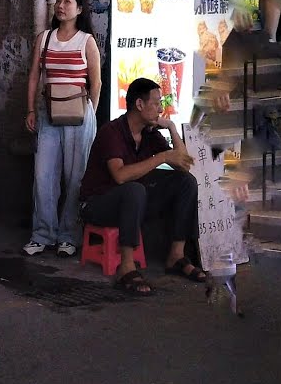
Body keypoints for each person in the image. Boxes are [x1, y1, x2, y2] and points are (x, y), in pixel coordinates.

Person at [78, 77, 207, 295]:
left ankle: (176, 256)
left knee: (186, 182)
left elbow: (185, 165)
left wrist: (173, 129)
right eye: (156, 103)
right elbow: (120, 176)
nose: (161, 109)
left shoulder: (150, 134)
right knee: (134, 188)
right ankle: (126, 267)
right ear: (139, 104)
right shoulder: (112, 131)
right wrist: (163, 157)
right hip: (97, 204)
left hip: (133, 204)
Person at [23, 0, 101, 257]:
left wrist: (89, 112)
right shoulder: (44, 38)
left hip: (79, 116)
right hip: (48, 113)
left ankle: (68, 236)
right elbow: (34, 76)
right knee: (43, 175)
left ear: (79, 9)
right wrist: (31, 109)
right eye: (58, 1)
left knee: (75, 176)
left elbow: (96, 81)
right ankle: (42, 234)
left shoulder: (86, 41)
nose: (61, 6)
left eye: (67, 1)